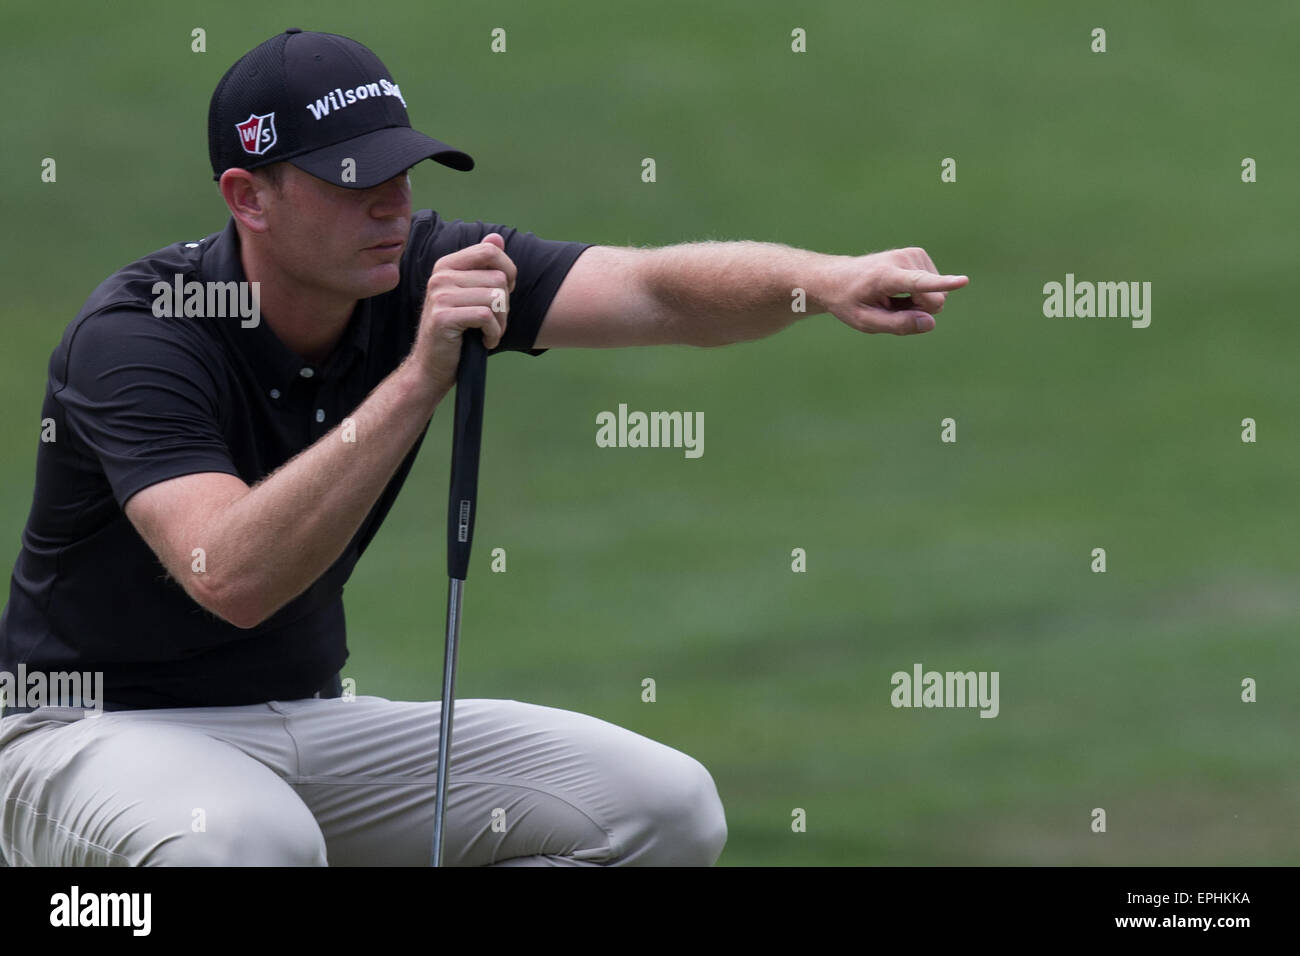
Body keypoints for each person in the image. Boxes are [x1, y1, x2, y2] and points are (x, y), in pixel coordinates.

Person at [0, 29, 967, 866]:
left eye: (399, 170)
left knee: (664, 809)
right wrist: (420, 377)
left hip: (308, 719)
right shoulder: (142, 333)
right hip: (84, 732)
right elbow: (231, 576)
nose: (390, 203)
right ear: (249, 198)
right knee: (251, 843)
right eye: (350, 181)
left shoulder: (423, 264)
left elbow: (655, 291)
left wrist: (825, 280)